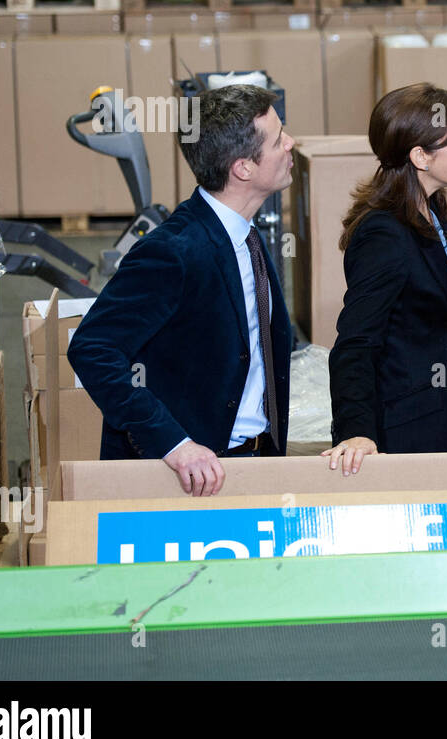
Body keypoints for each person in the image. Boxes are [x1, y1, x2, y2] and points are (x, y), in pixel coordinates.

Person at [68, 84, 295, 496]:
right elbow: (92, 349)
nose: (291, 143)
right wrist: (173, 442)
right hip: (188, 483)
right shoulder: (173, 250)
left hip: (252, 461)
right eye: (279, 139)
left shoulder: (247, 235)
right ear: (243, 168)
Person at [325, 83, 447, 473]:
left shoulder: (433, 212)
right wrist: (356, 433)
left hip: (443, 426)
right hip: (403, 438)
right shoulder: (384, 234)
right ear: (420, 156)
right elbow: (355, 343)